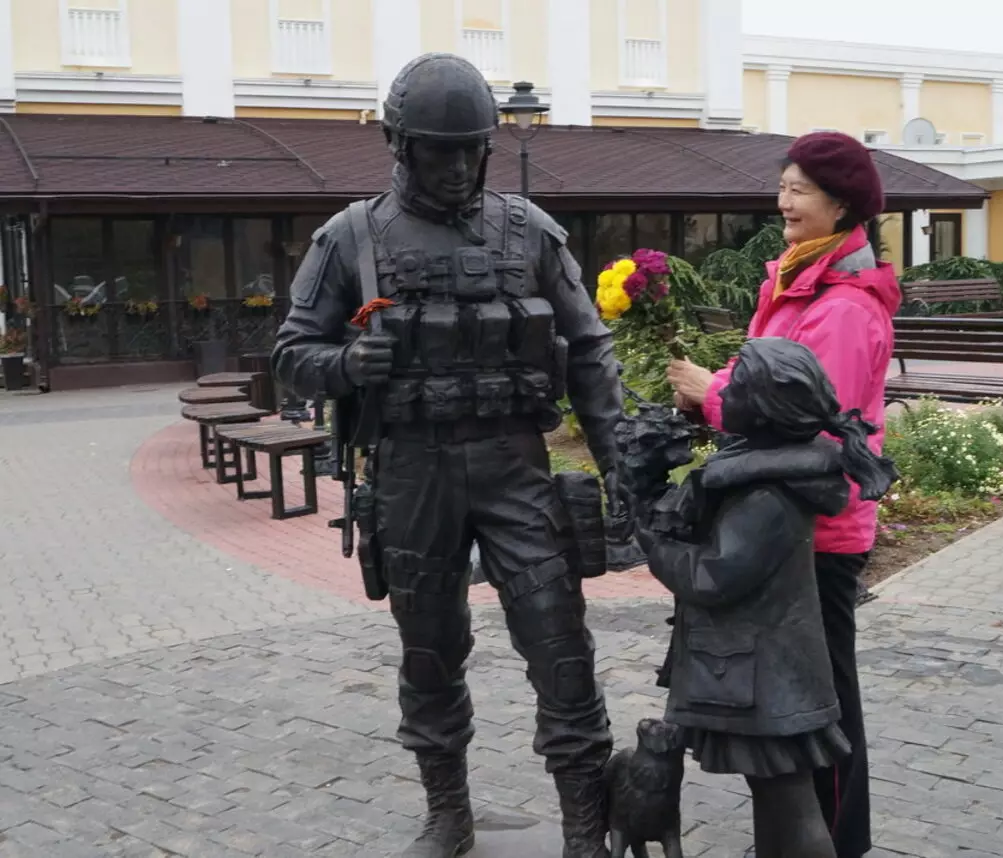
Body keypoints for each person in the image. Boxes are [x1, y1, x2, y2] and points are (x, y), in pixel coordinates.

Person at [272, 53, 629, 858]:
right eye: (440, 150)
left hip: (514, 464)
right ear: (399, 143)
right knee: (430, 650)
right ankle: (448, 812)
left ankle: (584, 825)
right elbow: (291, 352)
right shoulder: (350, 236)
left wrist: (622, 468)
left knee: (559, 644)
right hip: (412, 471)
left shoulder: (529, 231)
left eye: (471, 149)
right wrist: (344, 366)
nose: (458, 166)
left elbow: (591, 350)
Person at [666, 131, 901, 858]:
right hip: (784, 524)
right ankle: (811, 836)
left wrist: (713, 398)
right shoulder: (799, 282)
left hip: (818, 535)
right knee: (803, 696)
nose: (784, 200)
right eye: (783, 184)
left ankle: (830, 840)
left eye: (799, 189)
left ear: (842, 202)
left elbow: (809, 427)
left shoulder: (845, 306)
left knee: (820, 703)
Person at [630, 338, 897, 858]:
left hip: (766, 677)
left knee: (789, 800)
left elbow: (712, 577)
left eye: (735, 386)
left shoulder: (767, 497)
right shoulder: (769, 473)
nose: (721, 391)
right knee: (774, 795)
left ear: (760, 410)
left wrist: (652, 540)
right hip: (763, 668)